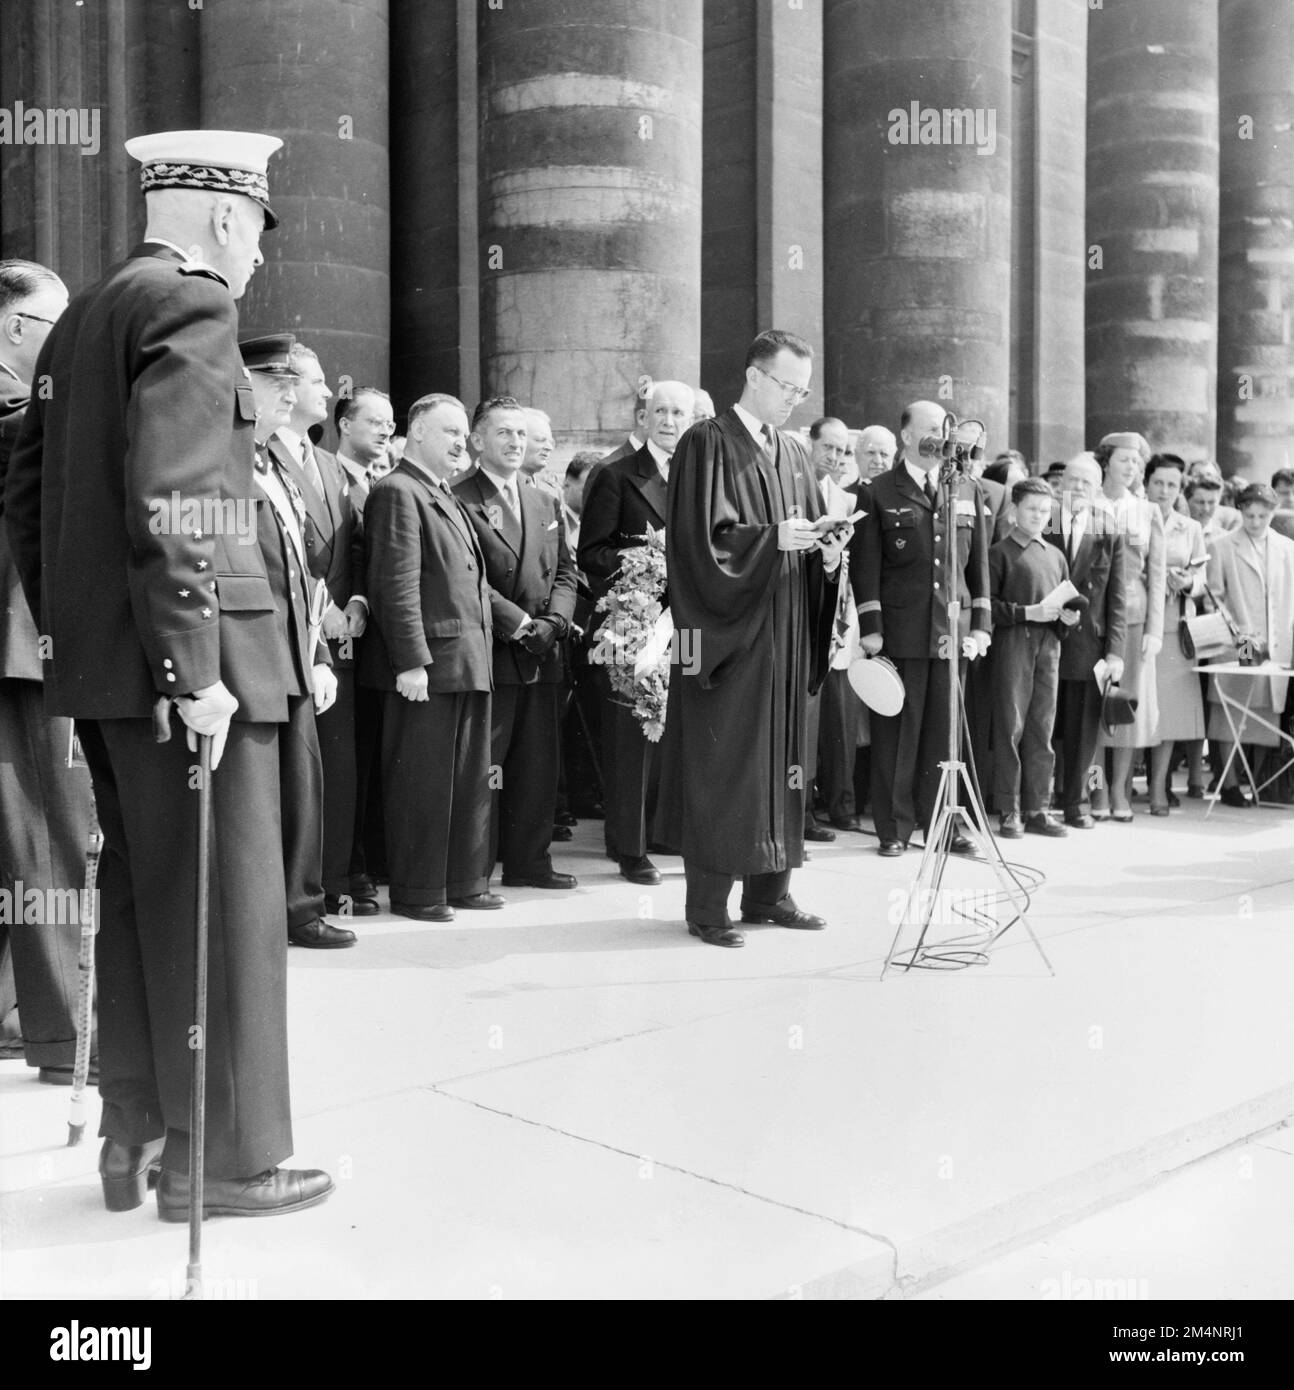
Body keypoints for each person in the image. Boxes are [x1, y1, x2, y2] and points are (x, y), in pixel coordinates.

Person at [5, 129, 333, 1218]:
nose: (254, 263)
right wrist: (190, 667)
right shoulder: (192, 307)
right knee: (225, 917)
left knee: (144, 904)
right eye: (256, 235)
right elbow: (179, 498)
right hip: (197, 674)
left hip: (107, 674)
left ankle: (135, 1133)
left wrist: (86, 644)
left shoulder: (80, 321)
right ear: (230, 218)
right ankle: (228, 1161)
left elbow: (29, 504)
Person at [655, 331, 848, 947]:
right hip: (734, 642)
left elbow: (807, 529)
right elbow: (695, 545)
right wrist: (772, 539)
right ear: (755, 376)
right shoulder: (705, 444)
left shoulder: (794, 453)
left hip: (788, 638)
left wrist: (827, 553)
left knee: (788, 763)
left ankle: (772, 894)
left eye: (803, 389)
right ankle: (708, 907)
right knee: (728, 768)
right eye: (788, 386)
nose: (795, 399)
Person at [360, 393, 523, 918]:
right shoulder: (397, 491)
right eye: (450, 432)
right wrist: (410, 660)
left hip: (468, 661)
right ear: (419, 434)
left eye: (462, 433)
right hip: (428, 667)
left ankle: (463, 882)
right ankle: (420, 891)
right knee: (423, 785)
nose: (460, 442)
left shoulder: (443, 494)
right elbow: (396, 583)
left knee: (468, 782)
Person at [0, 258, 97, 1084]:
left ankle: (16, 1013)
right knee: (46, 837)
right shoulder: (18, 406)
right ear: (13, 329)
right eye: (55, 325)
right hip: (20, 651)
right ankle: (67, 1035)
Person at [241, 336, 346, 949]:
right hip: (252, 659)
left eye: (290, 381)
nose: (289, 393)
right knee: (262, 802)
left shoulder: (270, 466)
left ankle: (301, 911)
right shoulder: (223, 461)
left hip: (295, 656)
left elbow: (302, 573)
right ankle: (270, 917)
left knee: (303, 790)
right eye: (274, 381)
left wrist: (321, 654)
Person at [853, 400, 992, 856]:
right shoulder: (878, 492)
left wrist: (983, 624)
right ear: (907, 436)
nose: (941, 436)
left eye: (946, 428)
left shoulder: (965, 487)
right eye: (931, 428)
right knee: (897, 735)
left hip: (952, 633)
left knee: (944, 731)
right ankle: (893, 828)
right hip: (901, 631)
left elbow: (979, 567)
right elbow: (867, 568)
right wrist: (872, 628)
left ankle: (944, 823)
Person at [454, 396, 579, 890]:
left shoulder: (543, 498)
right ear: (478, 440)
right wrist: (521, 623)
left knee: (537, 765)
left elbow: (567, 571)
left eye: (521, 434)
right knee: (487, 768)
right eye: (503, 432)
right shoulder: (458, 496)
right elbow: (464, 577)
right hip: (494, 649)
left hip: (544, 652)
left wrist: (554, 622)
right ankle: (476, 871)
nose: (515, 442)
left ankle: (531, 862)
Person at [272, 342, 374, 919]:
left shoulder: (332, 466)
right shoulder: (259, 456)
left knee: (339, 766)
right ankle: (299, 893)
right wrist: (324, 607)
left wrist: (355, 598)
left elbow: (354, 542)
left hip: (342, 637)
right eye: (315, 382)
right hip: (299, 634)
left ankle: (331, 882)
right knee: (301, 770)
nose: (327, 392)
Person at [579, 380, 694, 884]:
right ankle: (629, 846)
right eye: (660, 411)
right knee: (634, 732)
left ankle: (666, 828)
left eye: (679, 413)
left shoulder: (700, 474)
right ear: (643, 417)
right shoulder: (616, 475)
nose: (670, 421)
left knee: (679, 724)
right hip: (638, 624)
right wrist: (646, 565)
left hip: (689, 624)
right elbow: (592, 553)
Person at [1044, 452, 1128, 829]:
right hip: (1044, 638)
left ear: (1097, 489)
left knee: (1082, 729)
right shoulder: (1042, 522)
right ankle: (1037, 799)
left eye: (1086, 483)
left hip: (1087, 644)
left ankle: (1076, 804)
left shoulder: (1108, 529)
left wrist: (1115, 652)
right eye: (1072, 480)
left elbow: (1117, 597)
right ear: (1060, 484)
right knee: (1043, 723)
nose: (1077, 488)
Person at [989, 478, 1076, 837]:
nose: (1039, 516)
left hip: (1049, 647)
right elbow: (989, 607)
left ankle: (1037, 807)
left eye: (1045, 510)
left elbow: (1066, 600)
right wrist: (1028, 613)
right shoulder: (1000, 553)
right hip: (1014, 643)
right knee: (1012, 726)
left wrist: (1070, 617)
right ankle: (1009, 808)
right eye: (1031, 509)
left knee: (1043, 726)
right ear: (1014, 510)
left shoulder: (1055, 555)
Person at [1205, 483, 1294, 807]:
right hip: (1239, 641)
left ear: (1272, 513)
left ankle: (1260, 785)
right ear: (1240, 511)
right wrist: (1240, 636)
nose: (1255, 522)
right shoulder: (1222, 546)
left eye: (1263, 515)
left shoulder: (1287, 548)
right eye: (1250, 514)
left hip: (1276, 642)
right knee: (1232, 713)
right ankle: (1228, 784)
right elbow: (1215, 597)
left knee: (1265, 715)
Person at [1094, 432, 1166, 820]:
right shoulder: (1080, 503)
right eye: (1124, 459)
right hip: (1092, 619)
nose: (1131, 467)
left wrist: (1156, 628)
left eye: (1137, 462)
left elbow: (1156, 576)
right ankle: (1095, 790)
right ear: (1105, 461)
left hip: (1134, 618)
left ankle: (1121, 790)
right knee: (1090, 707)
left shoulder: (1148, 510)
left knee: (1124, 709)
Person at [1142, 454, 1208, 812]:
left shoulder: (1190, 528)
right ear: (1146, 482)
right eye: (1158, 483)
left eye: (1172, 484)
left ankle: (1157, 788)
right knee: (1135, 706)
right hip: (1138, 620)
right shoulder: (1132, 517)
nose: (1165, 490)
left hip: (1174, 626)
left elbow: (1203, 581)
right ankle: (1114, 786)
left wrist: (1186, 582)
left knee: (1166, 712)